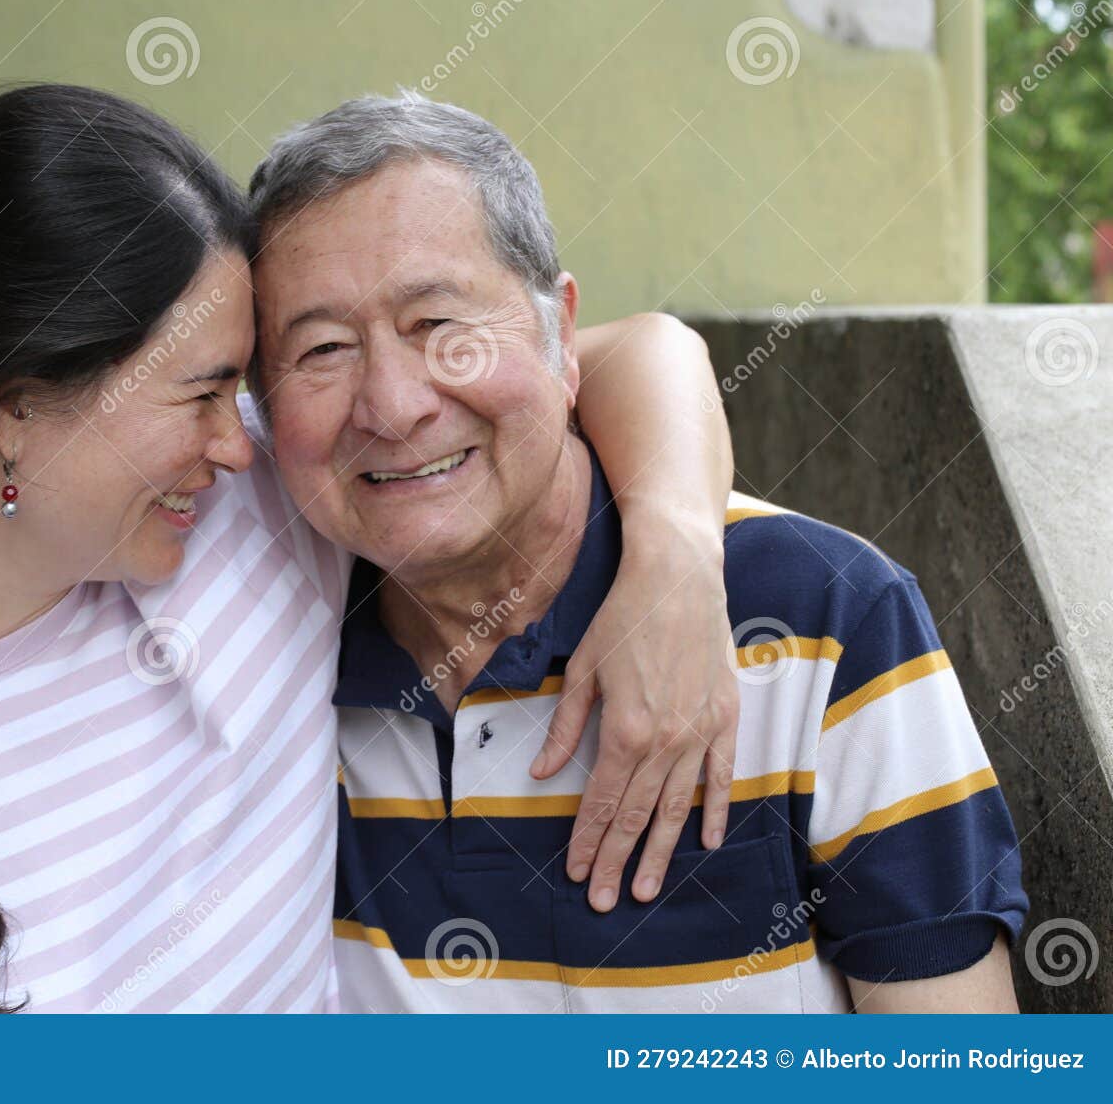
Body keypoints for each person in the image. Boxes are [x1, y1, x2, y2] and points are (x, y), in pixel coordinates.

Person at [0, 85, 736, 1012]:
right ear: (10, 406)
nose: (242, 440)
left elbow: (625, 354)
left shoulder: (252, 527)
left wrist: (676, 559)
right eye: (205, 391)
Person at [247, 93, 1028, 1012]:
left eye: (440, 326)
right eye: (325, 349)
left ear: (560, 335)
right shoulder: (271, 632)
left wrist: (676, 562)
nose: (392, 404)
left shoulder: (820, 616)